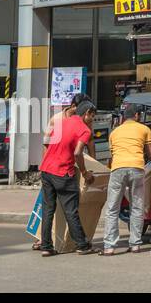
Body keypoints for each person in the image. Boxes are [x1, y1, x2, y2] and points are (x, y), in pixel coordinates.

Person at [38, 98, 97, 256]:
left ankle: (46, 247)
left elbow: (48, 144)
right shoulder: (84, 130)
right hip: (62, 172)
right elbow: (78, 153)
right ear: (87, 114)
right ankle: (82, 245)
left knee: (48, 209)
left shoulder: (62, 122)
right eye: (93, 117)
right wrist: (85, 172)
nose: (93, 121)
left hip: (46, 170)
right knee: (71, 210)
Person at [100, 103, 151, 256]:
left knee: (112, 208)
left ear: (124, 117)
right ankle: (135, 244)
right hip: (137, 169)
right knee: (137, 207)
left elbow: (111, 159)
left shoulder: (114, 133)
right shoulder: (145, 129)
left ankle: (109, 246)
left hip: (117, 169)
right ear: (137, 116)